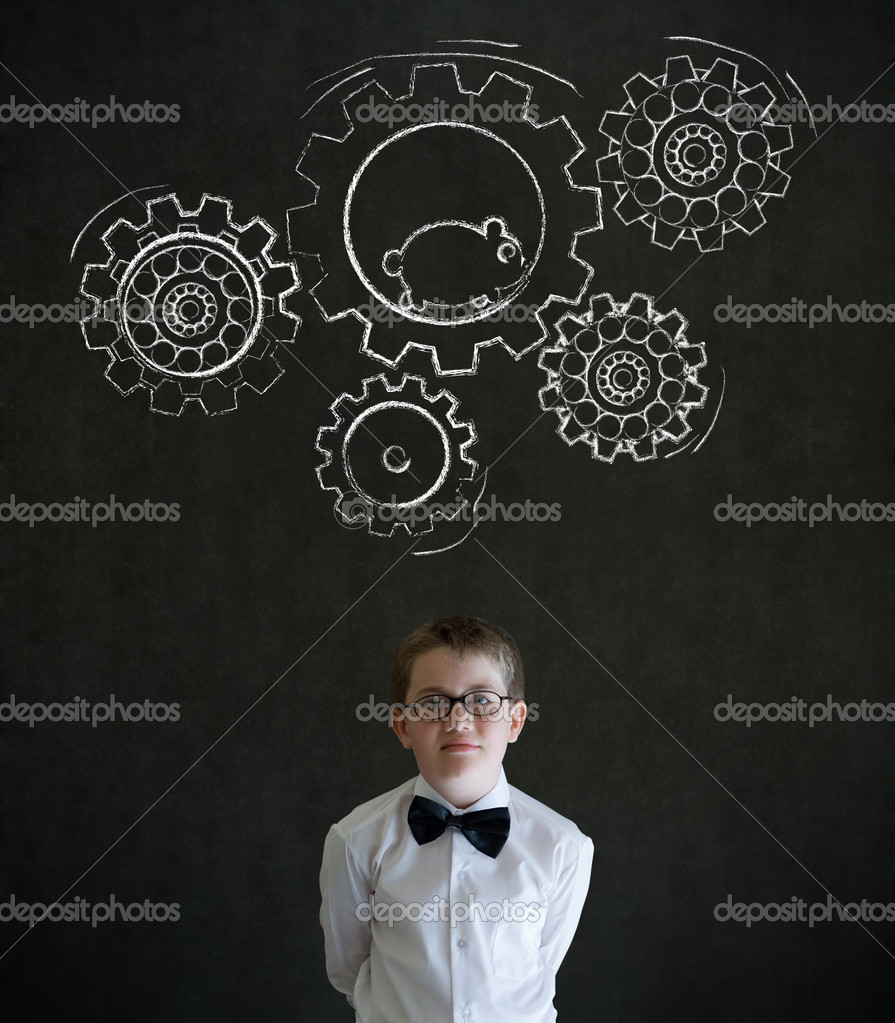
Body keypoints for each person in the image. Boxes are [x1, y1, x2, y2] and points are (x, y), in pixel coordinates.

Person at [319, 615, 593, 1022]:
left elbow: (543, 962)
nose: (458, 720)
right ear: (401, 726)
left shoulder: (562, 845)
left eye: (481, 700)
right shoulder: (356, 840)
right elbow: (350, 969)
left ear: (515, 720)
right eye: (433, 703)